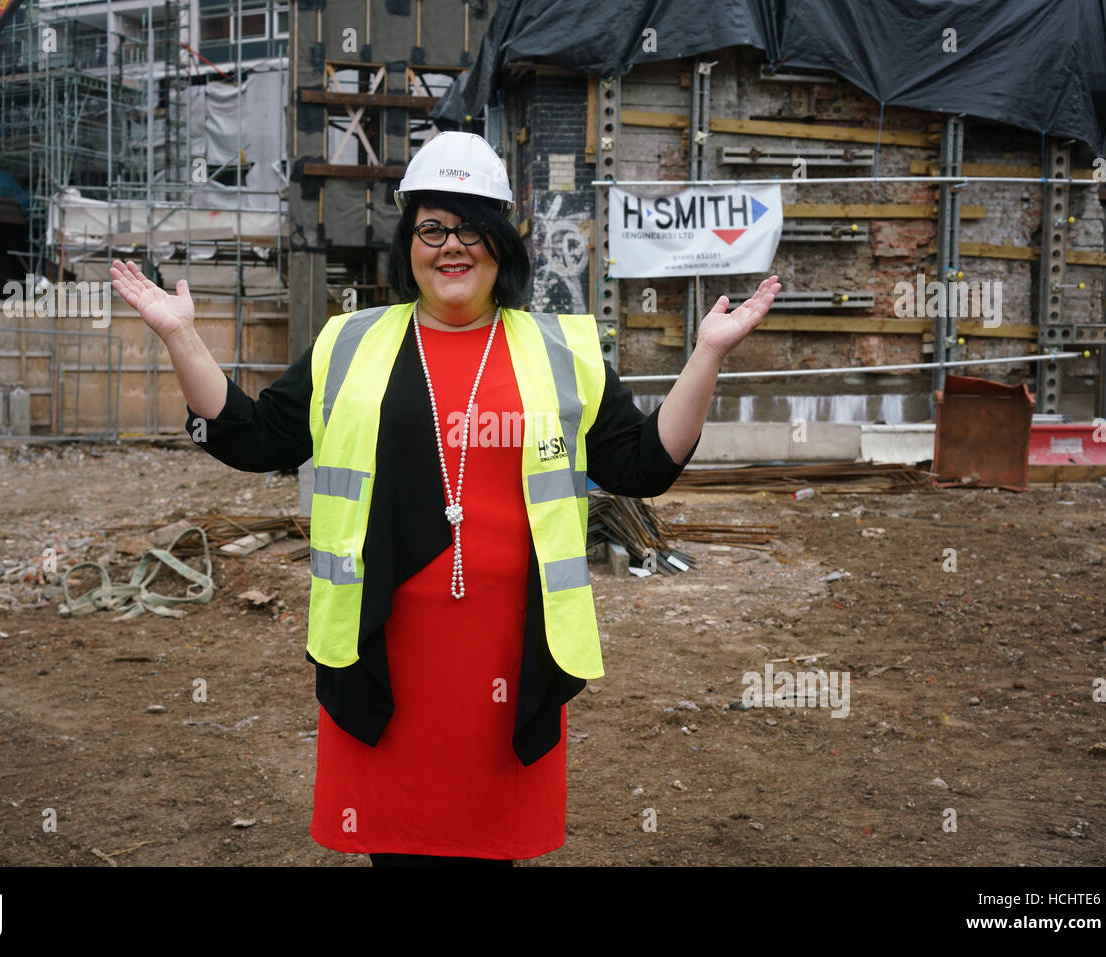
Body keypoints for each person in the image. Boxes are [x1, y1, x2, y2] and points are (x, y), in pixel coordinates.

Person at [109, 130, 780, 867]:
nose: (451, 246)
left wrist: (708, 354)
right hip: (385, 648)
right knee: (397, 844)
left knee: (491, 847)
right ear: (410, 243)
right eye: (432, 227)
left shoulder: (559, 350)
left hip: (510, 655)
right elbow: (251, 437)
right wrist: (182, 340)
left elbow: (646, 463)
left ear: (500, 242)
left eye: (470, 227)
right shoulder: (350, 342)